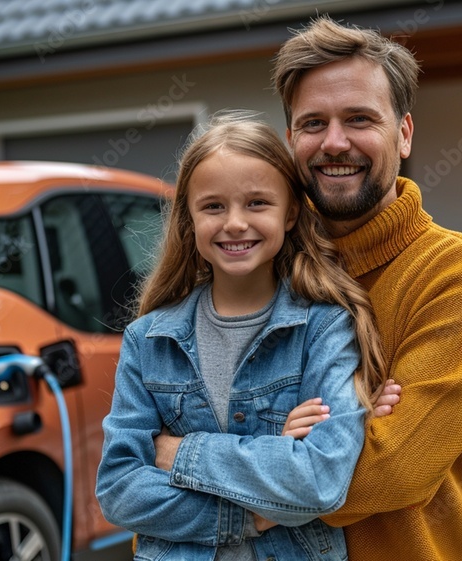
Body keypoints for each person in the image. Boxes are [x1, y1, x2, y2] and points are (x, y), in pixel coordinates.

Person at [95, 111, 395, 560]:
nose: (235, 222)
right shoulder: (147, 340)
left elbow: (321, 480)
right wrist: (252, 510)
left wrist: (180, 454)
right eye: (213, 206)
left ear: (291, 212)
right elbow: (119, 488)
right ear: (189, 217)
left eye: (257, 203)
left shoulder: (324, 327)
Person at [272, 14, 462, 560]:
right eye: (313, 124)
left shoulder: (452, 271)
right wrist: (345, 429)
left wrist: (223, 488)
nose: (335, 143)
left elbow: (394, 468)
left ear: (402, 134)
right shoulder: (261, 265)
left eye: (359, 118)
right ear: (291, 139)